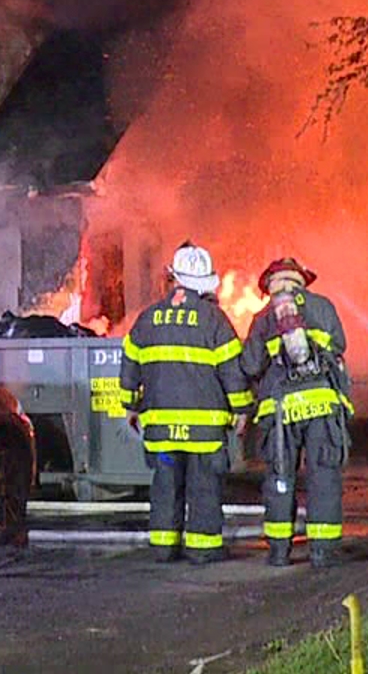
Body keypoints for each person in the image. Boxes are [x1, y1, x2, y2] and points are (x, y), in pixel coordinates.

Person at [119, 242, 252, 564]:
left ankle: (164, 547)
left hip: (161, 429)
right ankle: (203, 549)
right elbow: (233, 372)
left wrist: (130, 405)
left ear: (173, 279)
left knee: (165, 485)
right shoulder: (215, 321)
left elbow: (129, 367)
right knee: (204, 486)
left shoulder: (147, 319)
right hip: (204, 433)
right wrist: (242, 410)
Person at [240, 257, 351, 568]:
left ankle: (278, 551)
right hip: (322, 407)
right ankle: (323, 551)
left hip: (280, 410)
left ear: (270, 284)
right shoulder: (323, 307)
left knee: (280, 476)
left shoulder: (263, 317)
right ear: (301, 280)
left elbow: (249, 365)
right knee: (324, 476)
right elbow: (339, 346)